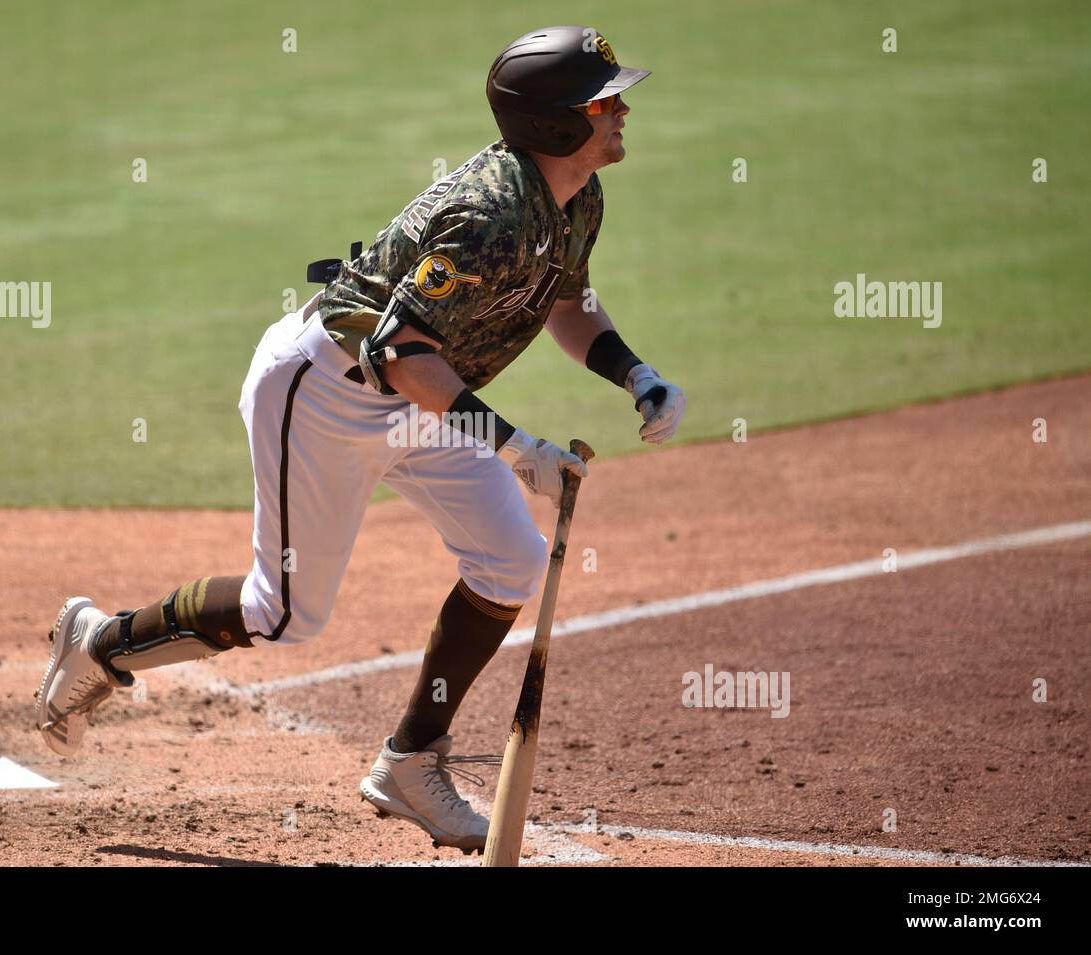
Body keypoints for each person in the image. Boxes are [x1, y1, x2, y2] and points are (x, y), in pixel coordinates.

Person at [35, 24, 685, 854]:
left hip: (421, 396)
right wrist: (518, 448)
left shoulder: (576, 195)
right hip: (325, 396)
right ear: (558, 125)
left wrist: (636, 374)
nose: (622, 108)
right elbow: (399, 351)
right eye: (603, 99)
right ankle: (100, 642)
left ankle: (410, 763)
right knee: (283, 617)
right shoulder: (486, 215)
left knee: (510, 560)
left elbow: (566, 299)